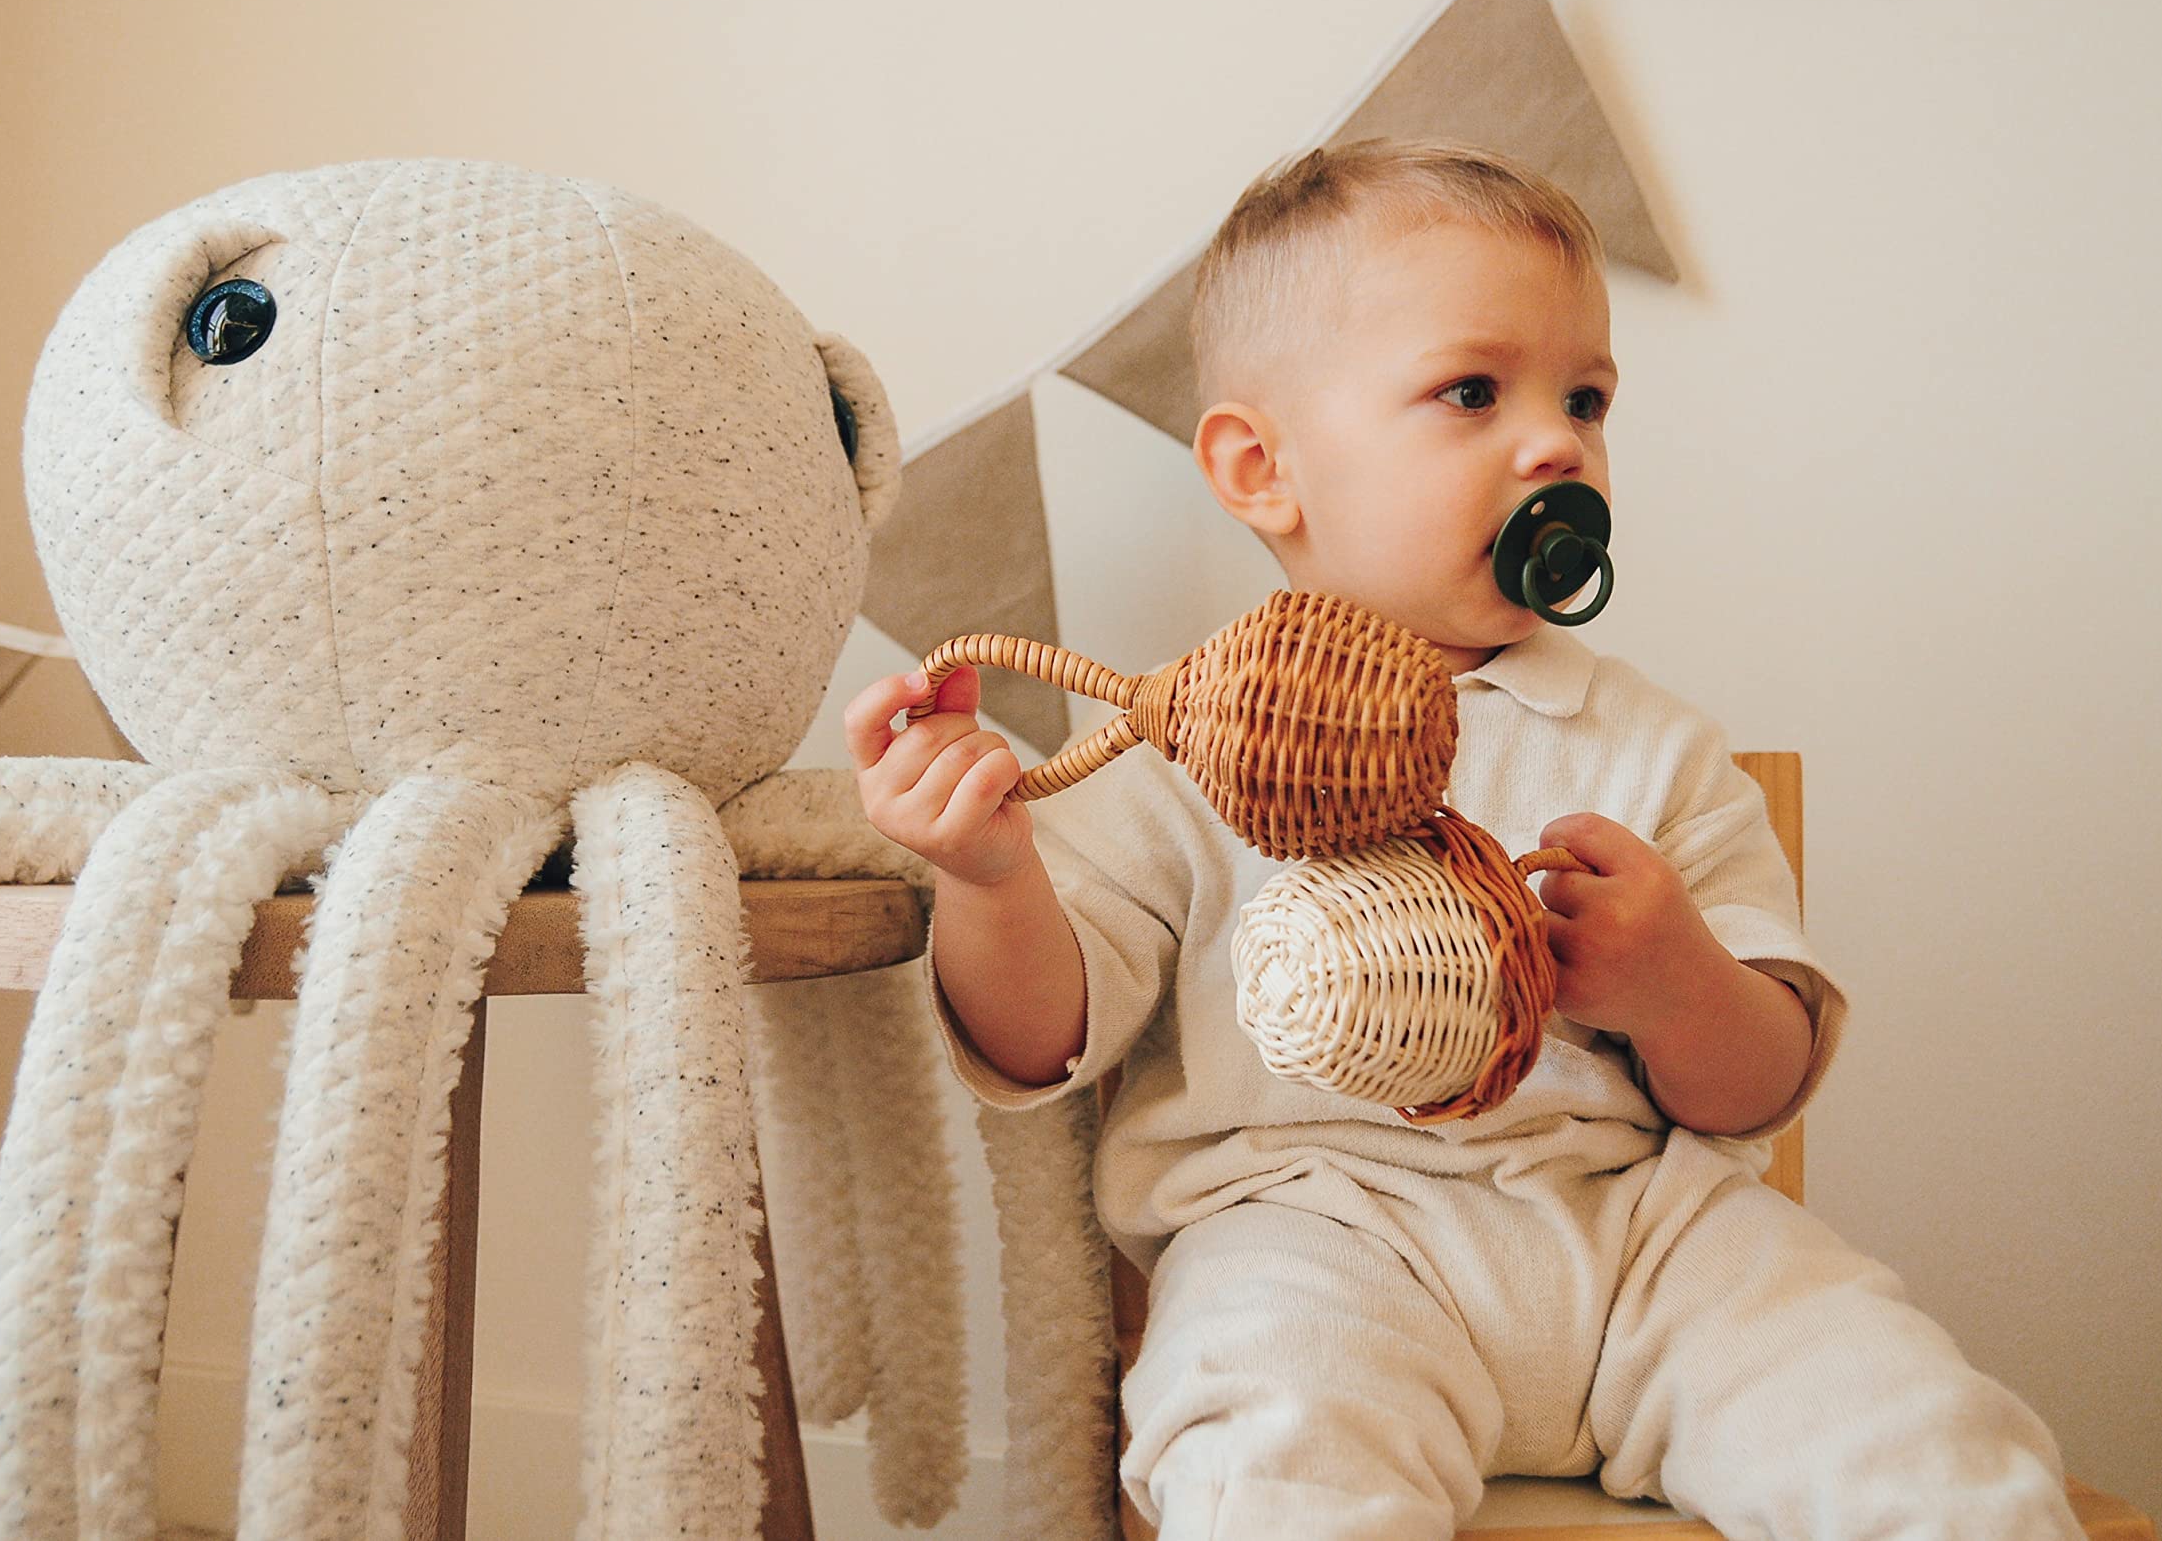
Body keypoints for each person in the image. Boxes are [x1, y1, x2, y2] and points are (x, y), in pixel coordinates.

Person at [843, 139, 2079, 1540]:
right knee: (1267, 1449)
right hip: (1315, 1238)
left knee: (1911, 1427)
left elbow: (1760, 1084)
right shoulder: (1168, 753)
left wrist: (1677, 982)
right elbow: (1036, 1042)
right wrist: (990, 873)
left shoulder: (1655, 751)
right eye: (1474, 392)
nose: (1557, 442)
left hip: (1642, 1241)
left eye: (1588, 399)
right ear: (1263, 467)